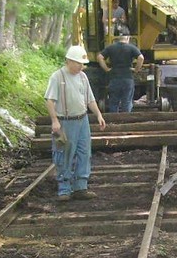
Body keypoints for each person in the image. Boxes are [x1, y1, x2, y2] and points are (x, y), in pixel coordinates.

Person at [44, 45, 106, 202]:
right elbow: (50, 101)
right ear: (69, 61)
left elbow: (90, 99)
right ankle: (64, 188)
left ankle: (81, 186)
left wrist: (98, 114)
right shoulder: (57, 77)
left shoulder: (83, 77)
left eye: (82, 63)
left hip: (82, 120)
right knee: (64, 154)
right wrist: (54, 120)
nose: (81, 66)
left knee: (84, 152)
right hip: (66, 121)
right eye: (78, 63)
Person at [97, 35, 144, 113]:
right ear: (128, 38)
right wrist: (136, 69)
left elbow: (99, 57)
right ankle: (126, 122)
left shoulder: (111, 47)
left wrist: (106, 69)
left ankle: (114, 122)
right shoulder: (131, 47)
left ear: (117, 40)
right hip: (127, 78)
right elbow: (141, 58)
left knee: (114, 102)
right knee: (127, 102)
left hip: (114, 78)